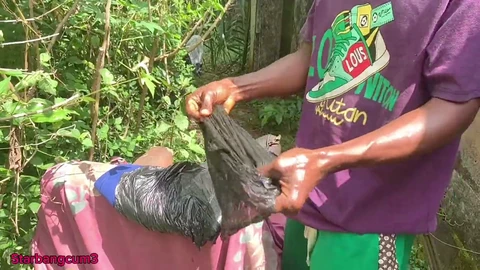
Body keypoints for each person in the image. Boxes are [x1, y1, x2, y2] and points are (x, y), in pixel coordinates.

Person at [186, 1, 480, 269]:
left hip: (368, 221)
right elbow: (310, 59)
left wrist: (324, 161)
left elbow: (455, 105)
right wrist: (235, 88)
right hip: (304, 199)